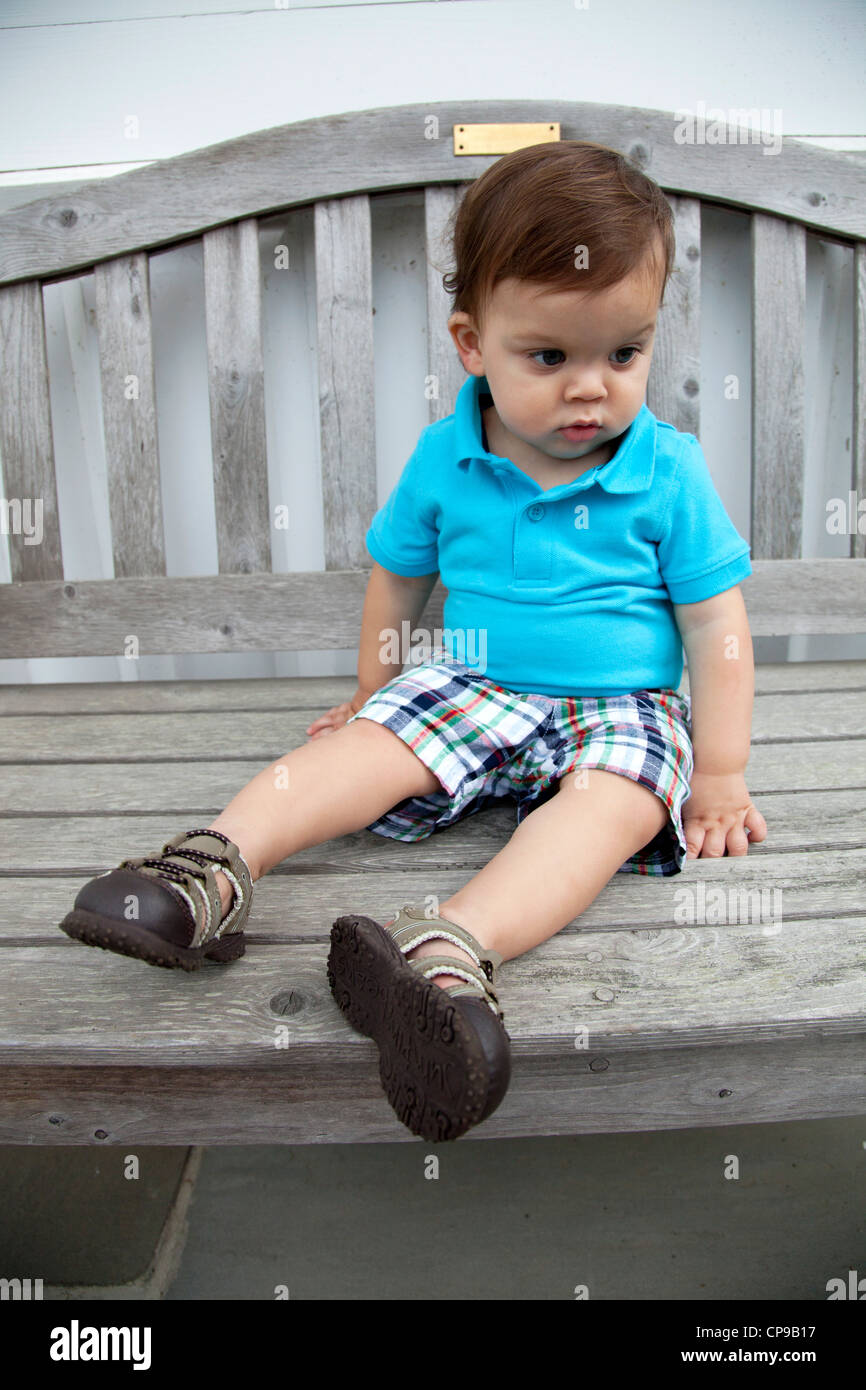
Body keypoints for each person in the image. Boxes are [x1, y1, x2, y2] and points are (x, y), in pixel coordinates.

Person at [60, 140, 768, 1144]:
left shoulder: (669, 471)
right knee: (357, 748)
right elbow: (400, 573)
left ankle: (443, 956)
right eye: (549, 356)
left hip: (624, 703)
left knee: (610, 807)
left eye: (623, 353)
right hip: (475, 677)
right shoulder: (449, 456)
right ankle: (206, 872)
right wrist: (371, 686)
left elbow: (714, 623)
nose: (589, 389)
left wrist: (722, 770)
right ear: (471, 344)